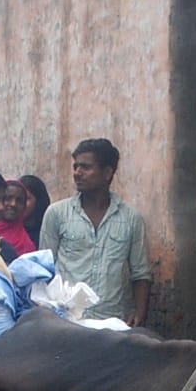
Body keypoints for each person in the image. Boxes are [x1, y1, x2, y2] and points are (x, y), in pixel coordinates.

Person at [39, 138, 152, 325]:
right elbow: (44, 269)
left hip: (111, 321)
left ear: (107, 173)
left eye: (85, 167)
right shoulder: (57, 214)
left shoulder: (132, 219)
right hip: (67, 320)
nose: (77, 173)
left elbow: (141, 274)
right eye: (75, 167)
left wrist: (140, 312)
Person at [0, 178, 35, 256]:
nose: (13, 204)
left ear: (24, 207)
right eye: (8, 198)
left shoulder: (27, 246)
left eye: (19, 201)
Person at [20, 174, 51, 249]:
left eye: (27, 198)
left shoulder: (48, 230)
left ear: (38, 200)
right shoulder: (7, 229)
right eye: (19, 199)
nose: (20, 203)